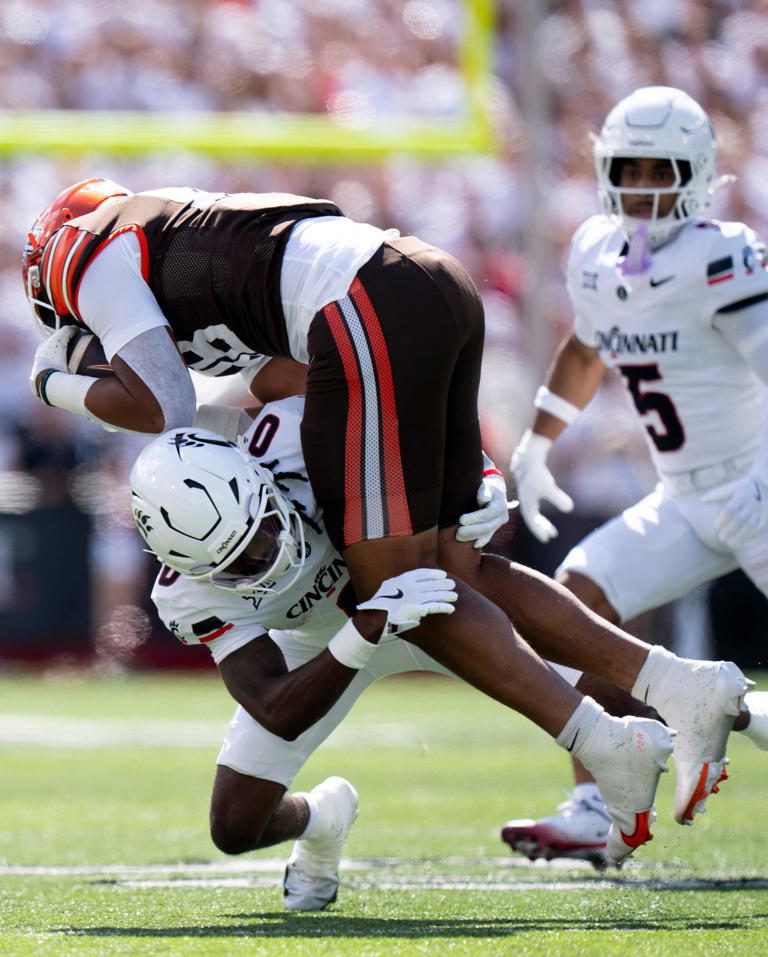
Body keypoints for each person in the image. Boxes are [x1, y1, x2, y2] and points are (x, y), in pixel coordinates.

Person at [26, 177, 746, 867]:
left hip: (365, 307)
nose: (105, 358)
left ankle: (609, 746)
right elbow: (242, 387)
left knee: (407, 590)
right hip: (419, 287)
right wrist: (461, 475)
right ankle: (678, 684)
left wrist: (53, 380)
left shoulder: (85, 252)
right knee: (458, 570)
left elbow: (166, 404)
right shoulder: (191, 261)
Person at [131, 398, 751, 909]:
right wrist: (362, 630)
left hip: (426, 601)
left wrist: (480, 477)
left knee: (600, 680)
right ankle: (321, 819)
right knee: (236, 825)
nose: (265, 558)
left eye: (263, 531)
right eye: (235, 564)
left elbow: (420, 426)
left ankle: (742, 710)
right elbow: (273, 704)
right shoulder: (186, 593)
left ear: (258, 478)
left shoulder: (298, 435)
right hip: (328, 644)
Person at [504, 85, 768, 869]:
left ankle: (731, 713)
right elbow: (587, 350)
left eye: (664, 170)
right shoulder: (594, 249)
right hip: (686, 496)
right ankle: (599, 803)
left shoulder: (722, 256)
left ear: (698, 174)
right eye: (631, 168)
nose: (646, 187)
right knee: (580, 594)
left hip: (755, 485)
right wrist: (538, 442)